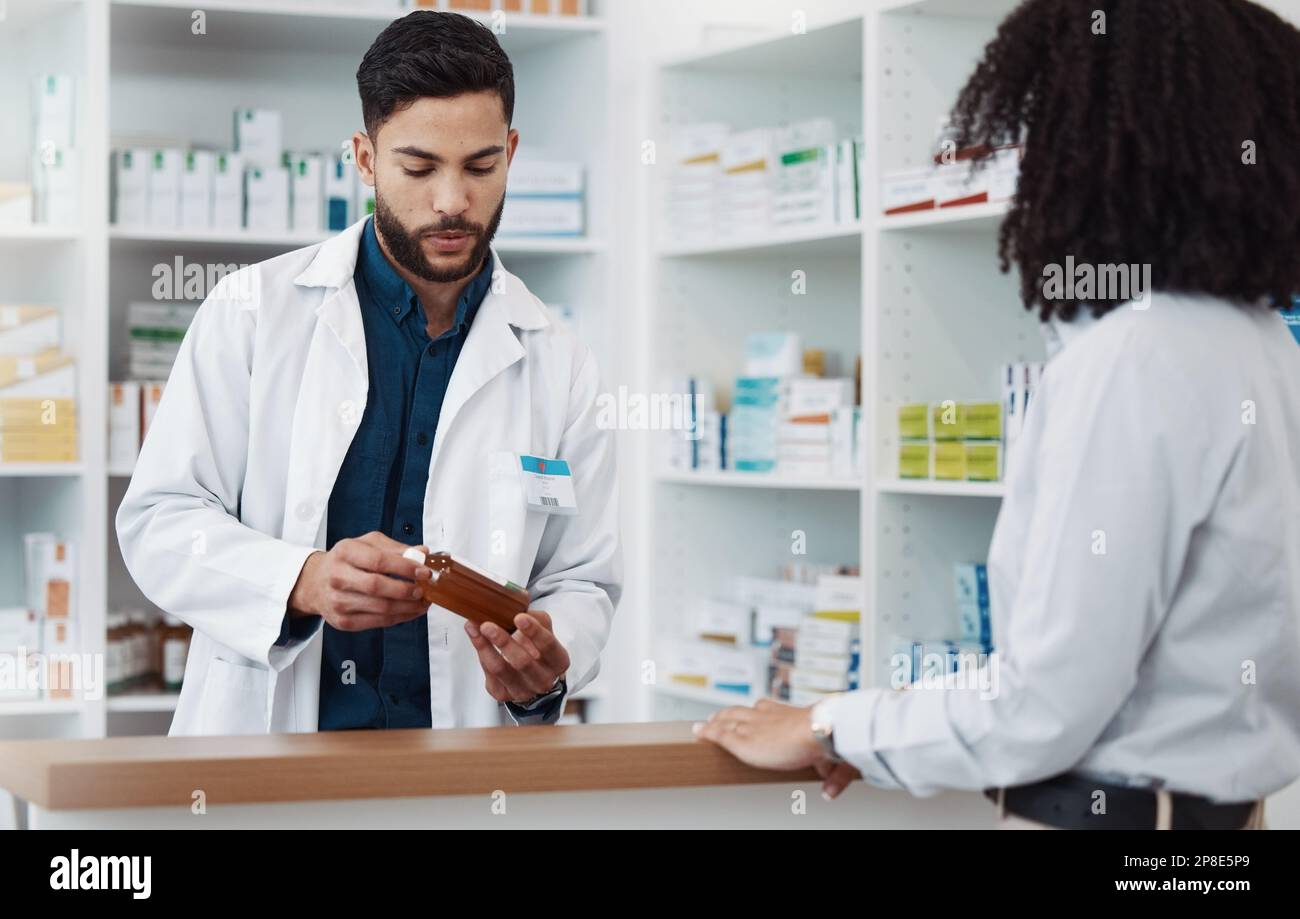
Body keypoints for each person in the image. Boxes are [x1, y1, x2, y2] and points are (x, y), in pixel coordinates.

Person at [696, 0, 1300, 830]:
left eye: (1045, 126)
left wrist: (830, 721)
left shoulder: (1133, 356)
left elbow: (1043, 704)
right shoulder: (1264, 344)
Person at [117, 12, 621, 735]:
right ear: (363, 158)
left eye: (481, 166)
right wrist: (302, 580)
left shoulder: (559, 360)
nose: (452, 200)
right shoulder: (252, 313)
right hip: (272, 757)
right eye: (418, 168)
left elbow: (584, 578)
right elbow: (160, 522)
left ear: (511, 153)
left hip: (461, 769)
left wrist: (549, 661)